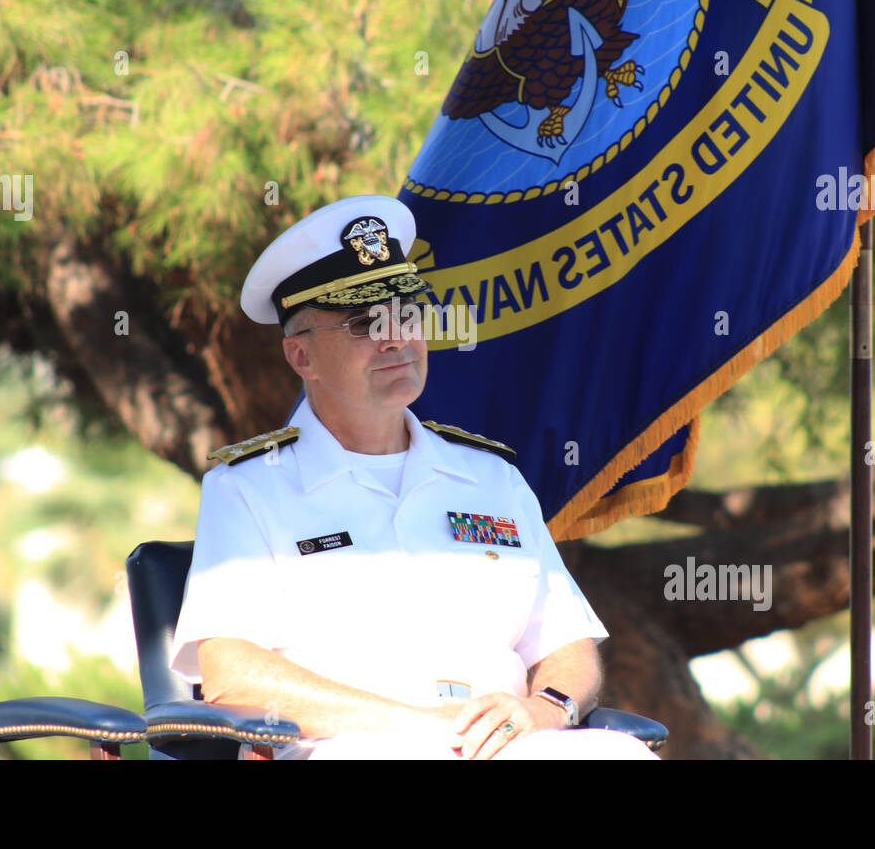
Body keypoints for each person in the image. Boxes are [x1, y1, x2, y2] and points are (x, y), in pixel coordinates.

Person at [168, 194, 659, 760]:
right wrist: (414, 725)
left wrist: (544, 707)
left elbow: (566, 644)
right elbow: (232, 676)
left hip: (503, 744)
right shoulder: (249, 488)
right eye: (364, 323)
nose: (396, 336)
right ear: (301, 357)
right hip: (357, 748)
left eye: (406, 313)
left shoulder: (491, 478)